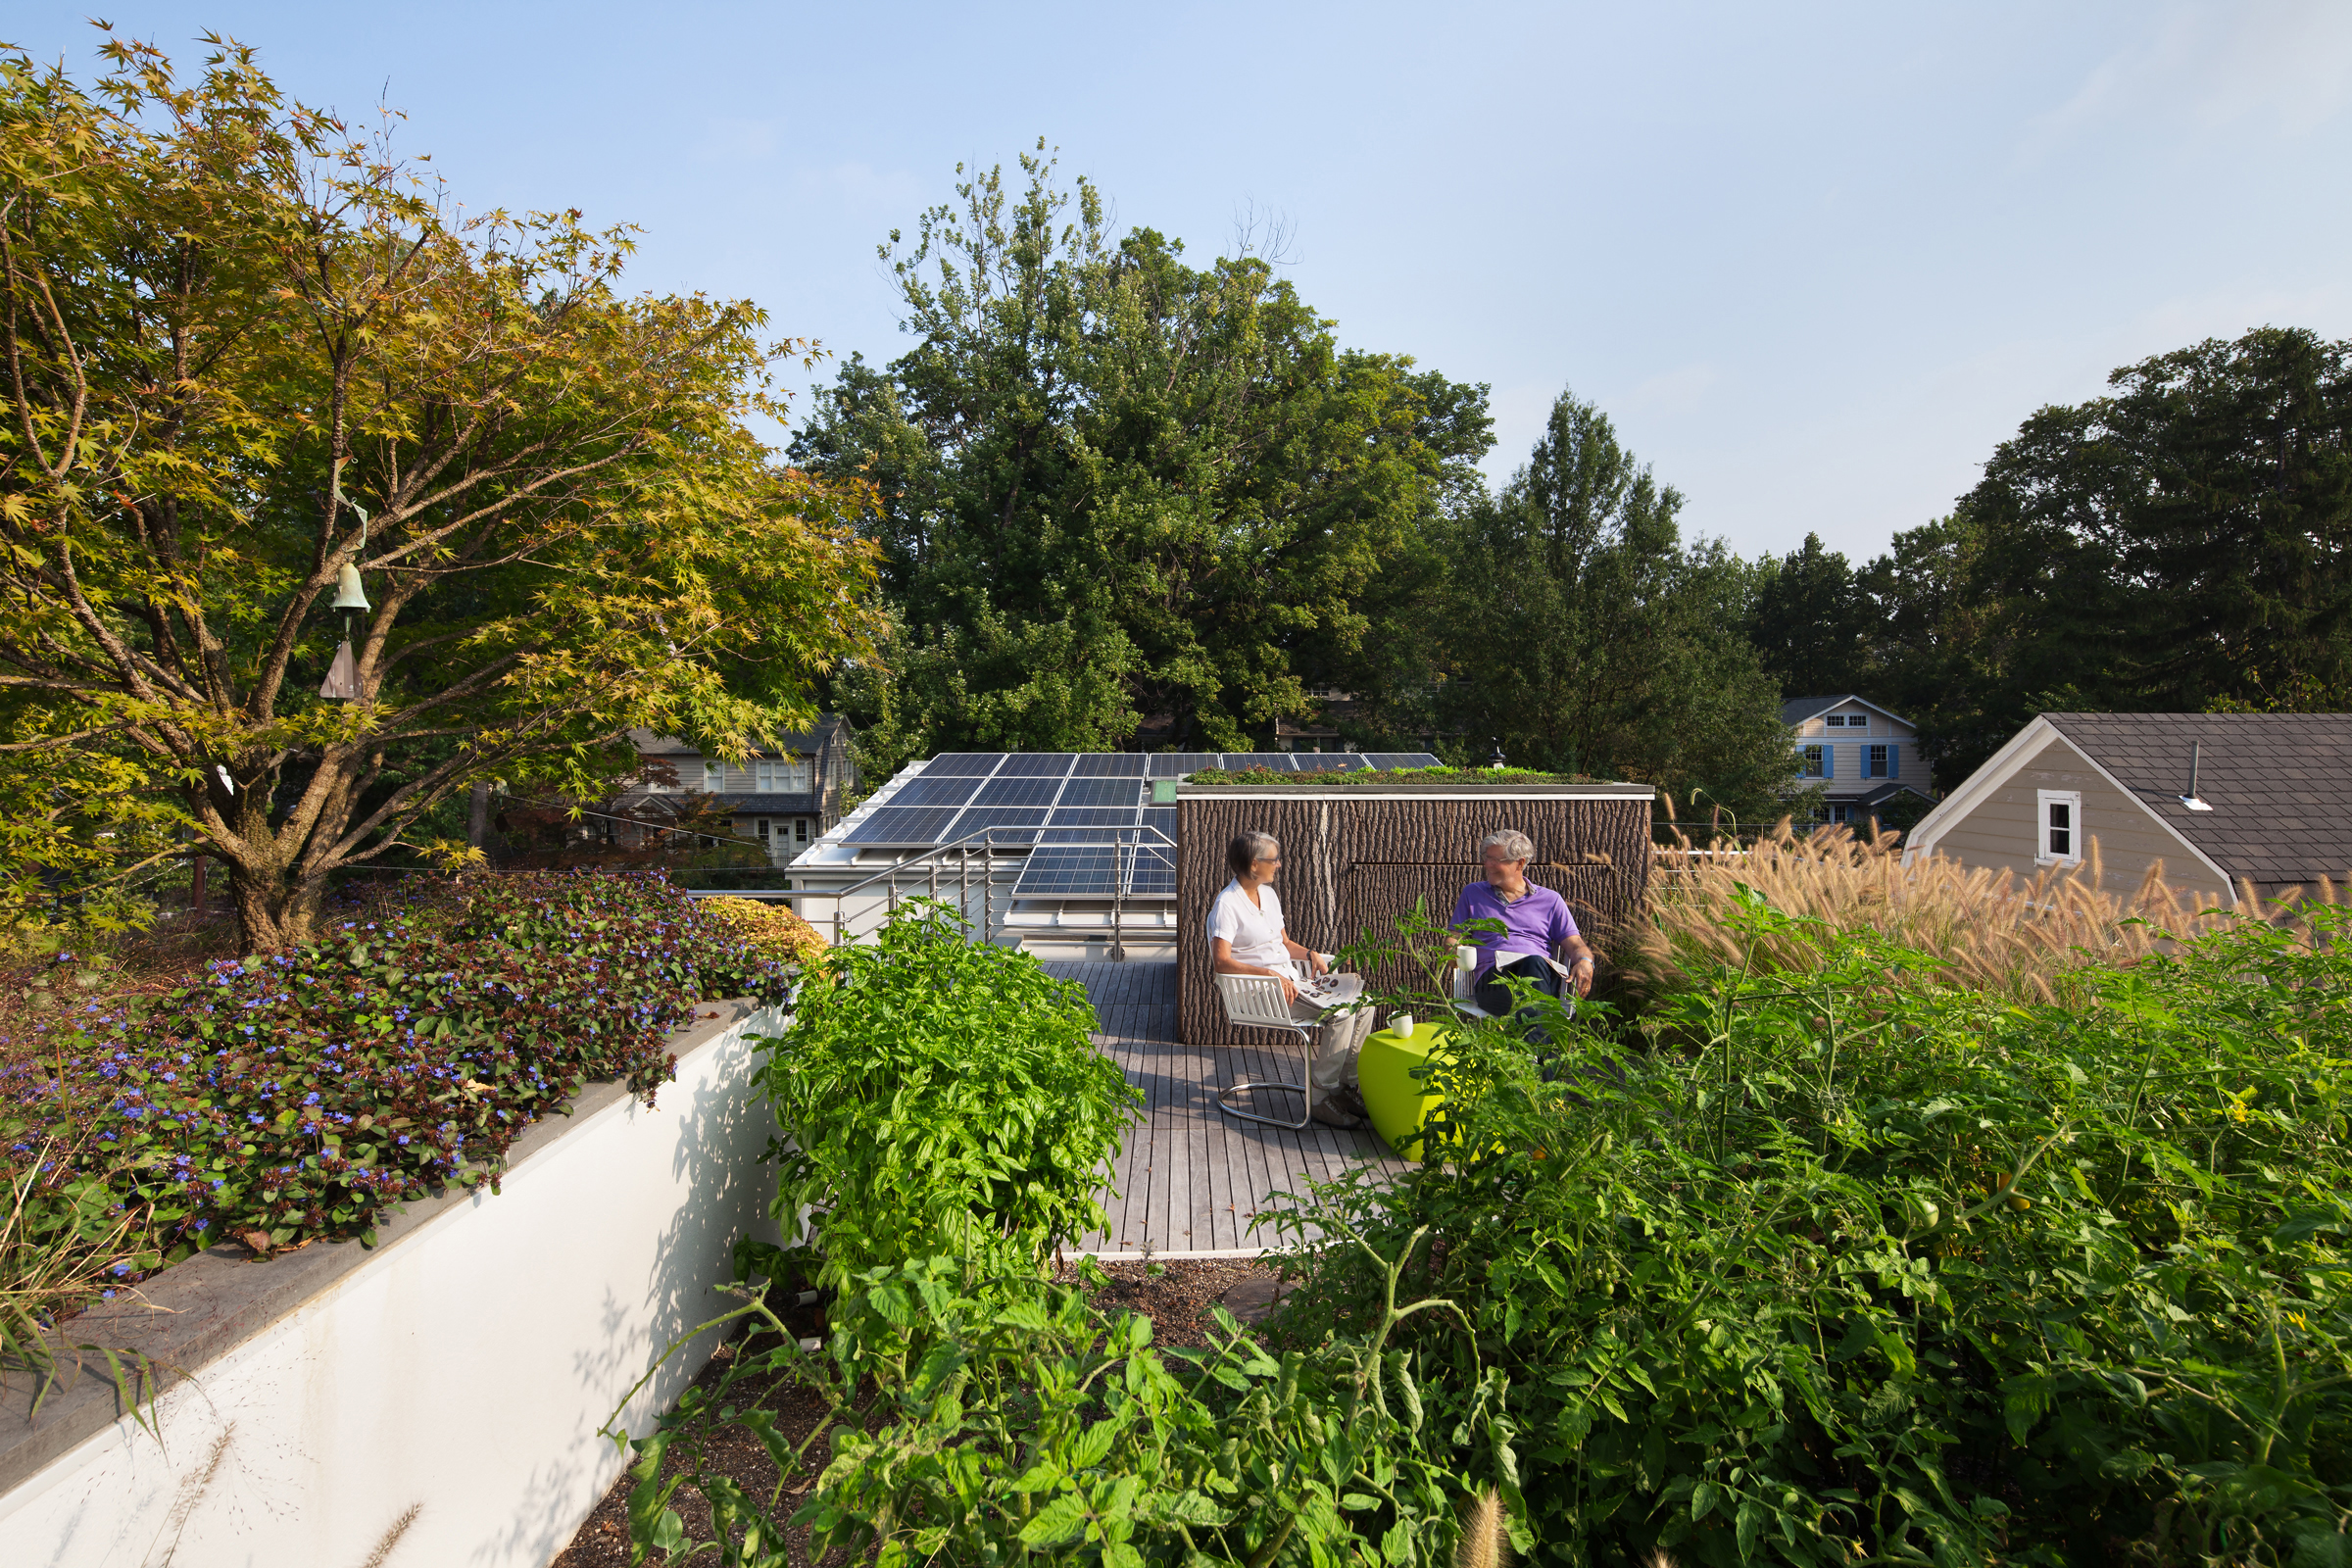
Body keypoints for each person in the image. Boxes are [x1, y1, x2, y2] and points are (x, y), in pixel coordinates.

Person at [1208, 829, 1375, 1128]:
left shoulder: (1268, 895)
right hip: (1259, 993)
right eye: (1274, 860)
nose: (1279, 864)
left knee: (1366, 1003)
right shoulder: (1227, 905)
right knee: (1342, 1014)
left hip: (1290, 984)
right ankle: (1320, 1096)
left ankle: (1346, 1087)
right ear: (1254, 864)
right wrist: (1268, 973)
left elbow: (1283, 942)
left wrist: (1310, 952)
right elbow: (1221, 962)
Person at [1452, 827, 1595, 1041]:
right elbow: (1452, 937)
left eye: (1494, 859)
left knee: (1534, 963)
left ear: (1519, 863)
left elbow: (1575, 944)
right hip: (1494, 983)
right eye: (1486, 857)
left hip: (1541, 978)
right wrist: (1453, 950)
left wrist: (1585, 960)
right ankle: (1539, 1067)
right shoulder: (1473, 893)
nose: (1487, 865)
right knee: (1539, 1004)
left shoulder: (1550, 900)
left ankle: (1526, 1063)